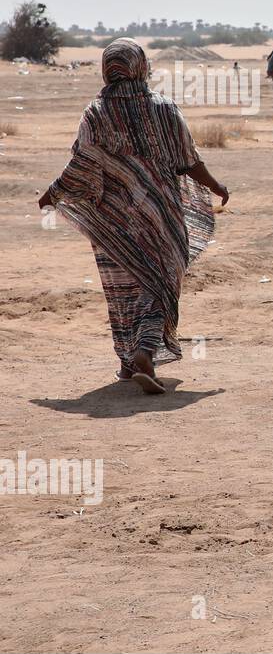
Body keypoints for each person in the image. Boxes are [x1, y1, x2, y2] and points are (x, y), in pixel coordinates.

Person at [37, 39, 228, 394]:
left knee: (124, 287)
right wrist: (216, 186)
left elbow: (82, 162)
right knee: (160, 281)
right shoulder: (165, 108)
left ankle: (129, 361)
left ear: (107, 69)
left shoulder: (95, 113)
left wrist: (54, 192)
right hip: (160, 214)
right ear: (141, 67)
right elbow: (188, 160)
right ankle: (143, 351)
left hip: (113, 220)